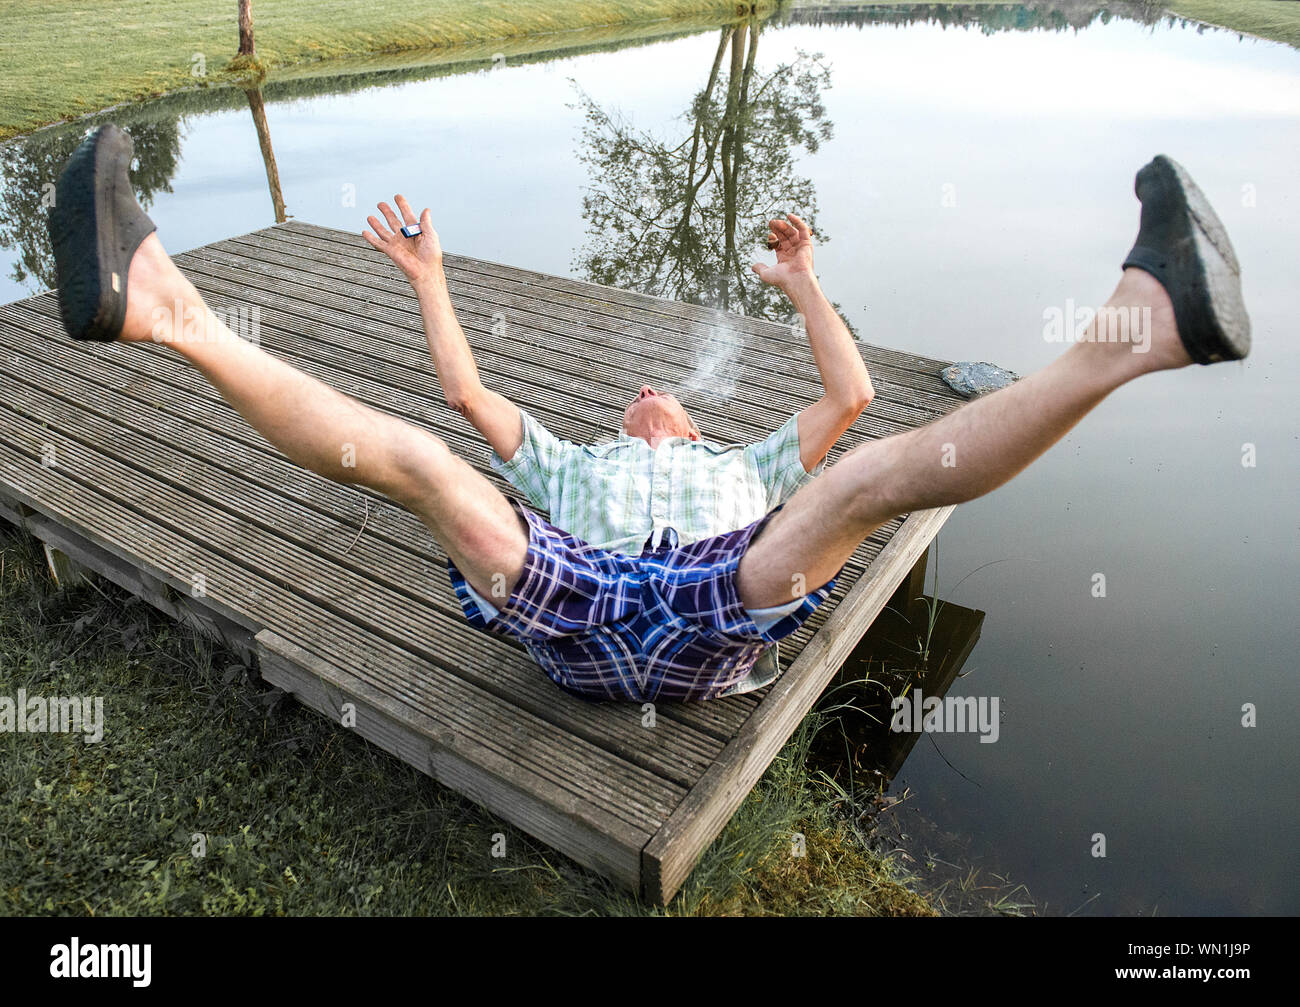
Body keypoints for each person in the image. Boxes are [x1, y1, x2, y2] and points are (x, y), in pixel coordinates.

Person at [46, 125, 1250, 703]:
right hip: (576, 589)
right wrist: (430, 281)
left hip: (727, 596)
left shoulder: (748, 461)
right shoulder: (567, 467)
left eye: (651, 394)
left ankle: (1139, 332)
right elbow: (466, 393)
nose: (640, 396)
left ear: (676, 419)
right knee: (423, 456)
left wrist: (800, 283)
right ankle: (158, 307)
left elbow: (851, 397)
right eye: (632, 398)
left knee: (861, 471)